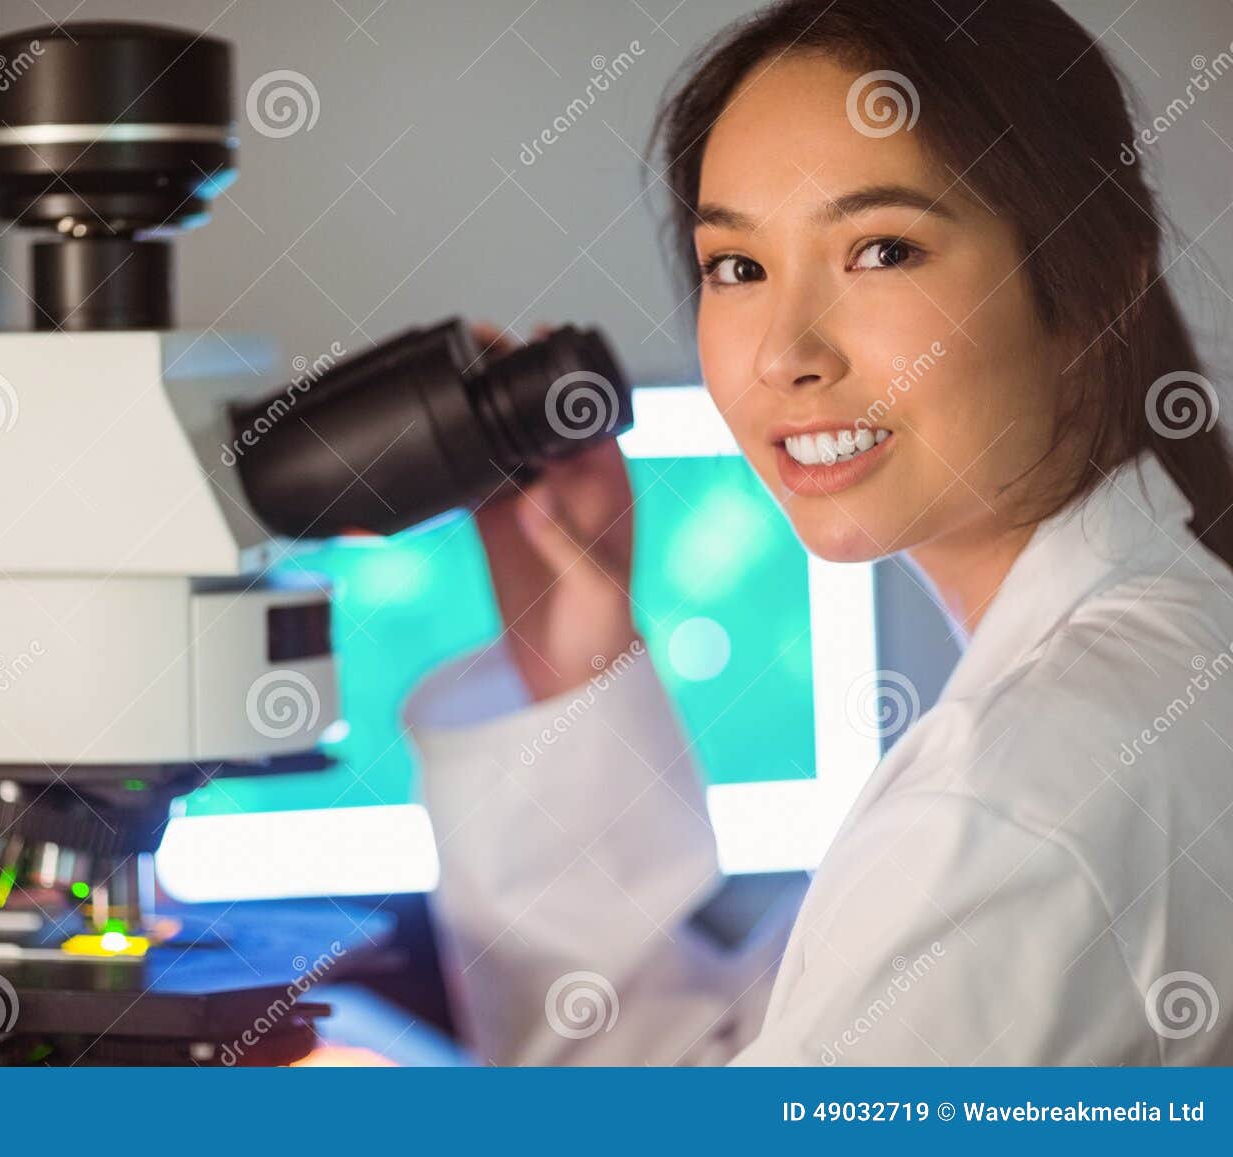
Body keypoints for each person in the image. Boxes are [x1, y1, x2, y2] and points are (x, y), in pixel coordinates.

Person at [402, 0, 1233, 1065]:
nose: (784, 355)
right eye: (735, 267)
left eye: (881, 249)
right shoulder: (1147, 666)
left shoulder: (1011, 812)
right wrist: (566, 655)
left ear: (1095, 280)